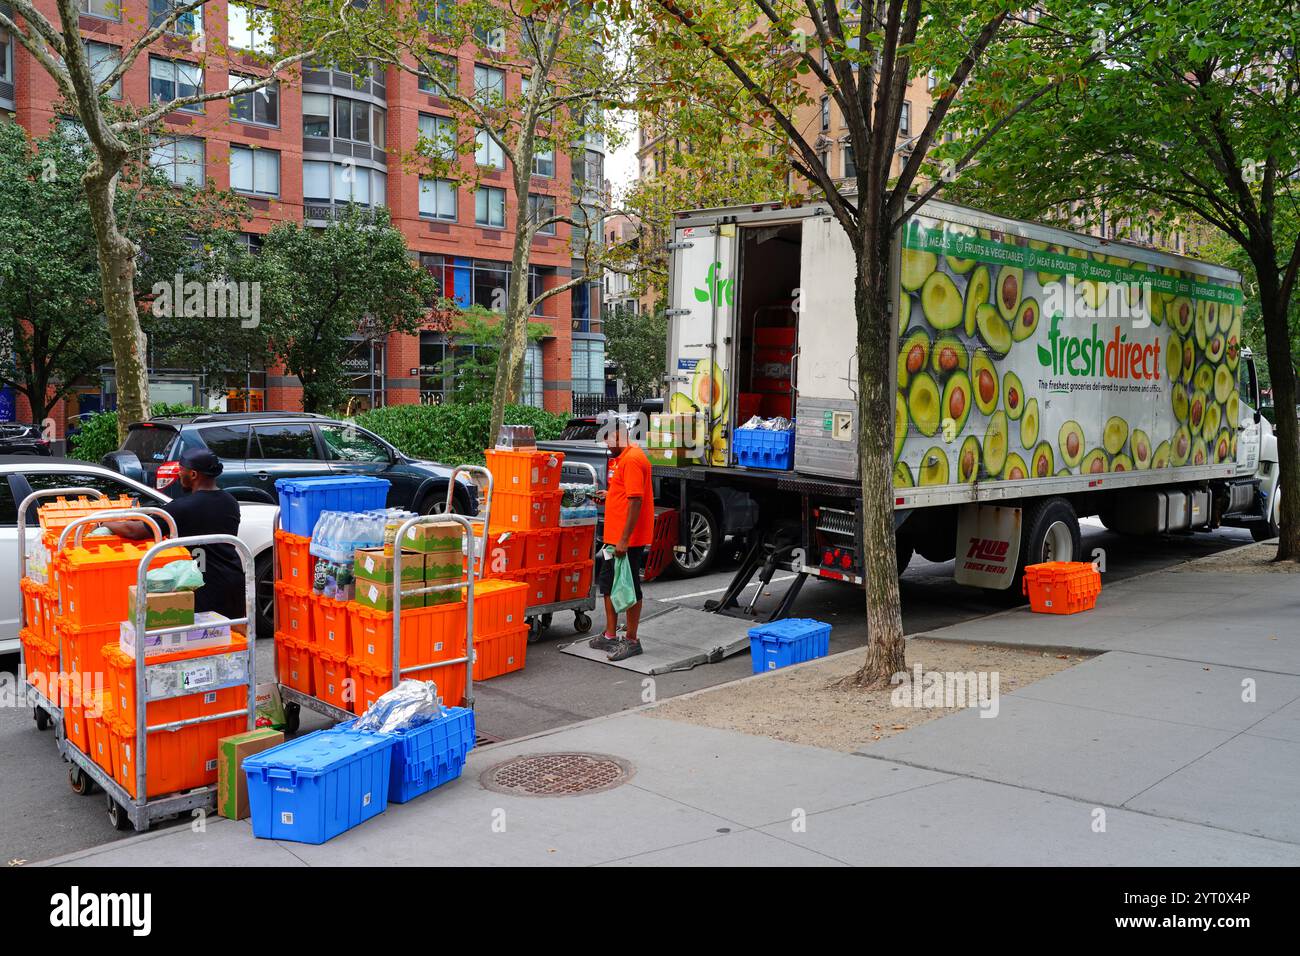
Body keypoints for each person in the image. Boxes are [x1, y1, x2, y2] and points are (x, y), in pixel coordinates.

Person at [107, 448, 244, 621]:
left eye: (181, 469)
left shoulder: (183, 507)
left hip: (203, 584)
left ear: (193, 474)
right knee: (231, 639)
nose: (179, 474)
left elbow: (134, 531)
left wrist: (103, 522)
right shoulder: (230, 501)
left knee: (203, 642)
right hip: (233, 579)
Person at [589, 417, 655, 661]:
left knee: (628, 588)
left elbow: (636, 500)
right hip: (615, 537)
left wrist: (624, 540)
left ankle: (632, 640)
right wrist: (610, 494)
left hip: (627, 540)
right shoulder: (625, 458)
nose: (607, 447)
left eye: (608, 441)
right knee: (607, 584)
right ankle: (610, 636)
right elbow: (627, 493)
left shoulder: (633, 460)